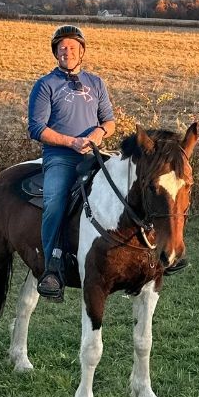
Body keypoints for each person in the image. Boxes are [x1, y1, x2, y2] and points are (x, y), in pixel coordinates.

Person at [28, 25, 115, 300]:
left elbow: (109, 122)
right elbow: (36, 128)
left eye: (73, 48)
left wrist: (98, 134)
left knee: (125, 188)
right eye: (62, 48)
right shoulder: (45, 85)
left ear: (82, 52)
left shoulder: (96, 83)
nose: (67, 52)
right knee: (55, 201)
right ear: (56, 52)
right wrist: (70, 142)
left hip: (93, 154)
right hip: (60, 157)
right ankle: (51, 268)